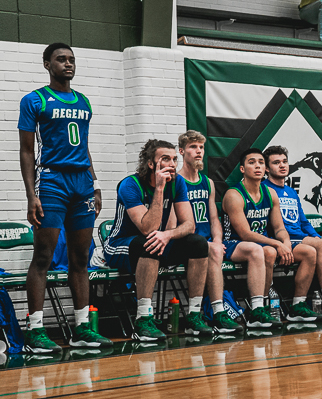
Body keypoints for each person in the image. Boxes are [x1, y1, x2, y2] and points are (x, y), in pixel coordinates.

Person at [18, 43, 109, 353]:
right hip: (52, 180)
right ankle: (35, 331)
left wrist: (95, 184)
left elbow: (84, 146)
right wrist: (31, 195)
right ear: (47, 64)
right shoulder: (34, 100)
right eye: (61, 59)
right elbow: (27, 151)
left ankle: (82, 329)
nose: (68, 64)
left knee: (80, 258)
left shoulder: (83, 101)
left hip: (82, 182)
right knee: (43, 257)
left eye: (71, 59)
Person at [102, 140, 209, 342]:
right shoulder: (130, 185)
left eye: (174, 159)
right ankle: (143, 320)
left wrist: (168, 235)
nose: (172, 164)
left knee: (198, 243)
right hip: (120, 244)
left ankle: (194, 315)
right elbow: (147, 228)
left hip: (157, 240)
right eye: (165, 159)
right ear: (151, 163)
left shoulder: (177, 182)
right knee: (148, 242)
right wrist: (159, 189)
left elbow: (189, 225)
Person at [221, 149, 315, 328]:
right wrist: (277, 243)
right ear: (242, 169)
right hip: (234, 243)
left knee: (309, 252)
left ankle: (297, 306)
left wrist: (286, 243)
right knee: (263, 250)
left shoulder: (270, 193)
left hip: (264, 244)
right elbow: (245, 234)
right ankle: (257, 310)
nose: (257, 166)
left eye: (261, 162)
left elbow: (279, 228)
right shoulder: (234, 194)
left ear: (265, 169)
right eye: (251, 162)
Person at [262, 146, 322, 321]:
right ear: (267, 168)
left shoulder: (290, 191)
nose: (282, 165)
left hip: (301, 237)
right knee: (320, 246)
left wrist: (317, 237)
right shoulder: (265, 189)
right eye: (276, 162)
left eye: (284, 161)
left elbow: (303, 221)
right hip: (284, 241)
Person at [175, 130, 243, 336]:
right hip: (185, 242)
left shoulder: (208, 182)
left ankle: (217, 312)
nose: (198, 151)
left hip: (207, 241)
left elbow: (214, 218)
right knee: (210, 249)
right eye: (193, 147)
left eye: (201, 147)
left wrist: (218, 240)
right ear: (181, 151)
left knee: (214, 248)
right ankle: (217, 312)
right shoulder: (176, 181)